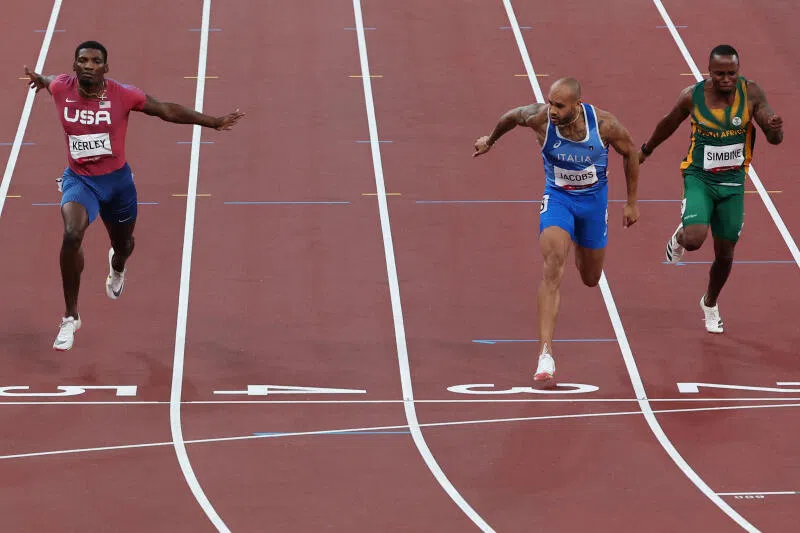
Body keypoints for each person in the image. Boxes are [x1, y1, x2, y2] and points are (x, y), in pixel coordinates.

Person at [24, 40, 245, 351]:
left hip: (117, 185)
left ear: (105, 68)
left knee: (124, 244)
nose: (88, 65)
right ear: (74, 66)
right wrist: (40, 79)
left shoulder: (122, 94)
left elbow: (165, 109)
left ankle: (117, 265)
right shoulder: (61, 87)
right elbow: (49, 80)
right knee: (72, 233)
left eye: (95, 61)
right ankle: (70, 317)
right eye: (83, 60)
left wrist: (212, 122)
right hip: (80, 182)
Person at [473, 77, 640, 381]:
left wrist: (631, 202)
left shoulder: (604, 125)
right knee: (552, 267)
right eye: (550, 102)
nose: (552, 110)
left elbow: (631, 153)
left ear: (577, 104)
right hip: (558, 198)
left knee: (591, 278)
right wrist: (490, 140)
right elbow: (511, 117)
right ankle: (545, 355)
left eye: (559, 106)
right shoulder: (540, 119)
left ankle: (578, 239)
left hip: (592, 203)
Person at [639, 44, 783, 333]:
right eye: (719, 74)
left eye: (732, 73)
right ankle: (679, 236)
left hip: (733, 183)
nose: (726, 79)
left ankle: (709, 302)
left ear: (738, 71)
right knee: (694, 239)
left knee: (725, 254)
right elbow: (668, 124)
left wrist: (775, 127)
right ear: (709, 72)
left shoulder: (751, 93)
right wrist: (646, 149)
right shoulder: (692, 96)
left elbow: (773, 136)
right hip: (699, 178)